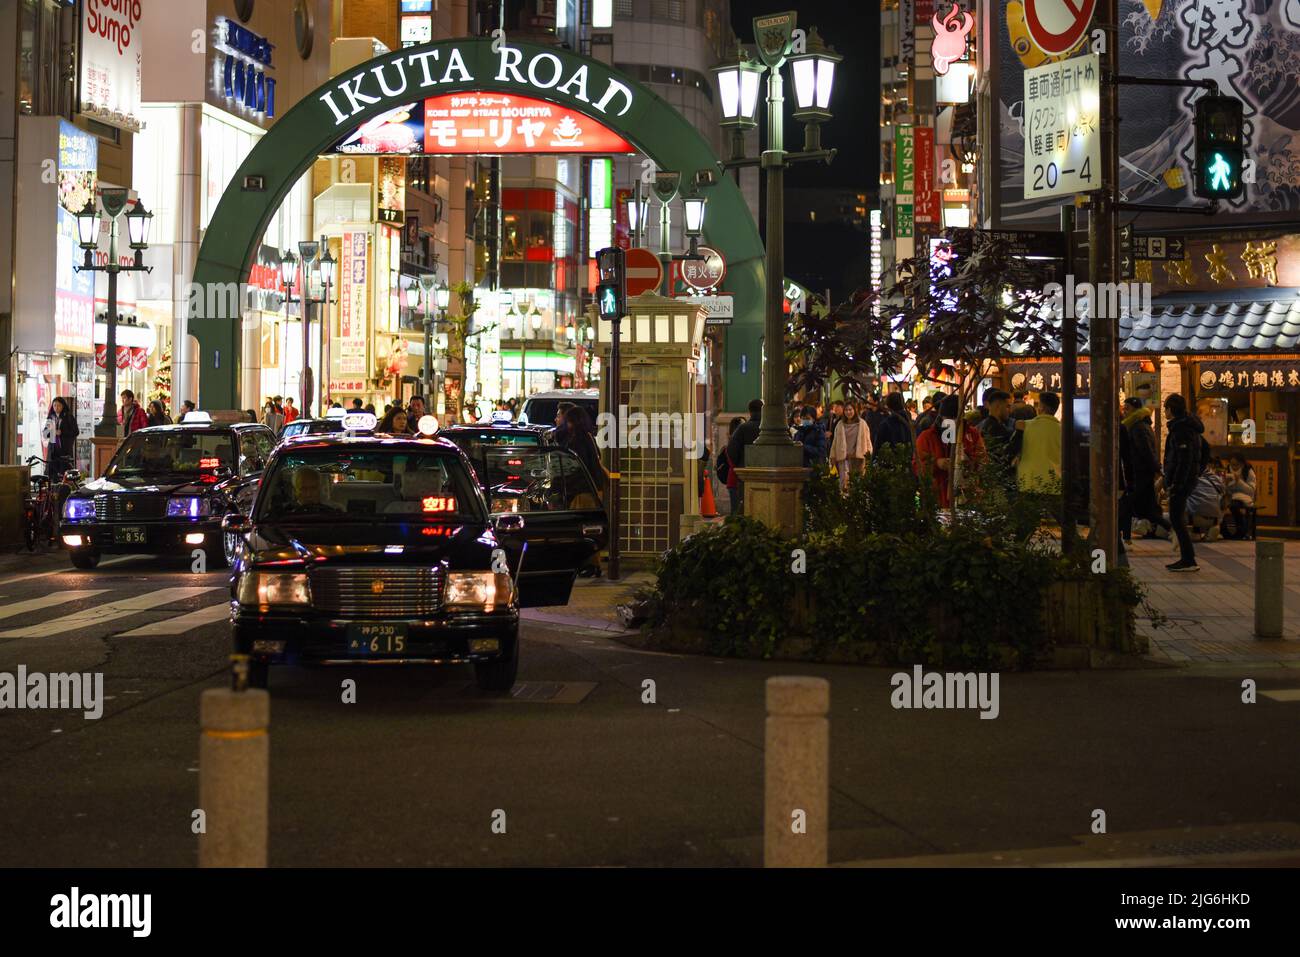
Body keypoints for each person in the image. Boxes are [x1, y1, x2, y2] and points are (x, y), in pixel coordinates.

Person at [914, 394, 986, 509]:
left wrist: (966, 462)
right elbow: (917, 466)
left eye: (956, 418)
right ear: (941, 416)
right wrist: (937, 463)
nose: (952, 423)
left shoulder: (972, 434)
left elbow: (982, 460)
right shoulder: (927, 437)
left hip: (967, 498)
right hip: (938, 499)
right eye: (948, 418)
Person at [1162, 392, 1204, 572]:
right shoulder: (1188, 426)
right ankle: (1187, 558)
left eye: (1165, 408)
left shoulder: (1181, 429)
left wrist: (1176, 483)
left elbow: (1183, 459)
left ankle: (1188, 559)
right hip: (1187, 479)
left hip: (1182, 481)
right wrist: (1197, 471)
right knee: (1176, 518)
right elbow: (1205, 451)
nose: (1164, 412)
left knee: (1176, 518)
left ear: (1170, 409)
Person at [1016, 391, 1062, 492]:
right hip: (1054, 483)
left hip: (1028, 481)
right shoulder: (1063, 430)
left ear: (1042, 408)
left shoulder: (1024, 425)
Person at [725, 400, 763, 515]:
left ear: (750, 412)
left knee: (743, 510)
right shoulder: (771, 429)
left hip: (745, 476)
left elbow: (731, 450)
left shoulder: (743, 429)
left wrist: (739, 465)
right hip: (767, 476)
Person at [978, 388, 1019, 488]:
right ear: (998, 406)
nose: (1010, 410)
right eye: (1007, 406)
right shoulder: (994, 428)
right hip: (998, 482)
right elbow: (1007, 452)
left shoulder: (986, 425)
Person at [830, 400, 872, 490]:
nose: (848, 412)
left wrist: (868, 455)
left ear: (854, 410)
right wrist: (833, 456)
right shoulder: (840, 425)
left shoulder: (862, 424)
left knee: (857, 484)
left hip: (858, 458)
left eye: (850, 410)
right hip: (843, 458)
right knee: (844, 484)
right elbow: (835, 441)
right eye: (846, 410)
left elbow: (868, 441)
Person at [561, 405, 605, 483]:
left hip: (579, 487)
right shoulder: (588, 437)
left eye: (568, 421)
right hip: (591, 485)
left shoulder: (575, 441)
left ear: (573, 422)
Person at [43, 397, 79, 479]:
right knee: (52, 474)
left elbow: (76, 432)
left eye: (58, 405)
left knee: (64, 472)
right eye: (54, 405)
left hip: (64, 449)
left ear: (63, 406)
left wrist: (62, 433)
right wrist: (53, 432)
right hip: (53, 450)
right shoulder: (51, 418)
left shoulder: (69, 417)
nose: (56, 408)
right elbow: (45, 434)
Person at [873, 392, 915, 460]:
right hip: (910, 463)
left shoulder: (885, 425)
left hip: (891, 465)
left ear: (888, 406)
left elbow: (877, 448)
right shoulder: (912, 424)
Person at [1223, 453, 1256, 540]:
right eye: (1232, 464)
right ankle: (1224, 532)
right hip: (1230, 496)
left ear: (1242, 463)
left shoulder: (1248, 471)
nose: (1234, 467)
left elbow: (1251, 490)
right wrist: (1225, 484)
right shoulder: (1227, 470)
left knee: (1234, 505)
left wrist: (1239, 482)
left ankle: (1241, 531)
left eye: (1236, 464)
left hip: (1245, 497)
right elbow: (1223, 488)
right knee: (1219, 504)